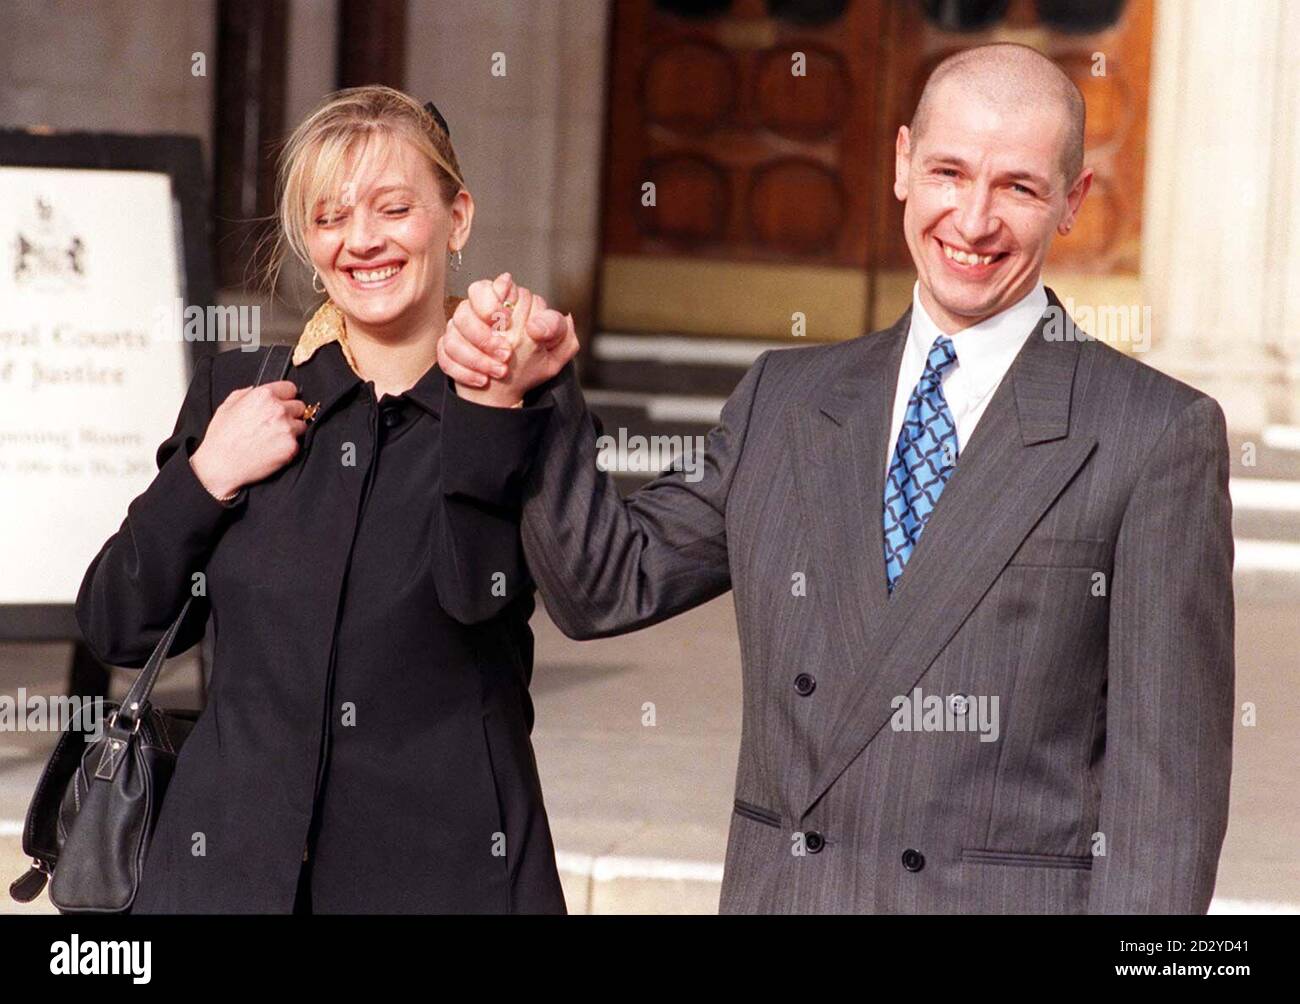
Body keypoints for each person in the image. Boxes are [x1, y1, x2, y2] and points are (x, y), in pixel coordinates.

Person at [435, 44, 1235, 914]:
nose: (973, 221)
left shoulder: (1153, 435)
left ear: (1073, 202)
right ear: (901, 164)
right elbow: (603, 587)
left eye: (1018, 187)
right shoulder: (786, 400)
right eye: (948, 173)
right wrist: (540, 392)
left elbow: (1166, 806)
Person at [76, 85, 577, 913]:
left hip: (443, 881)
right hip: (225, 879)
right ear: (309, 243)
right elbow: (116, 624)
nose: (362, 240)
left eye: (394, 209)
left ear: (456, 219)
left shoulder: (519, 402)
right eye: (331, 217)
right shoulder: (239, 393)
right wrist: (207, 475)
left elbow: (476, 596)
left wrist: (489, 412)